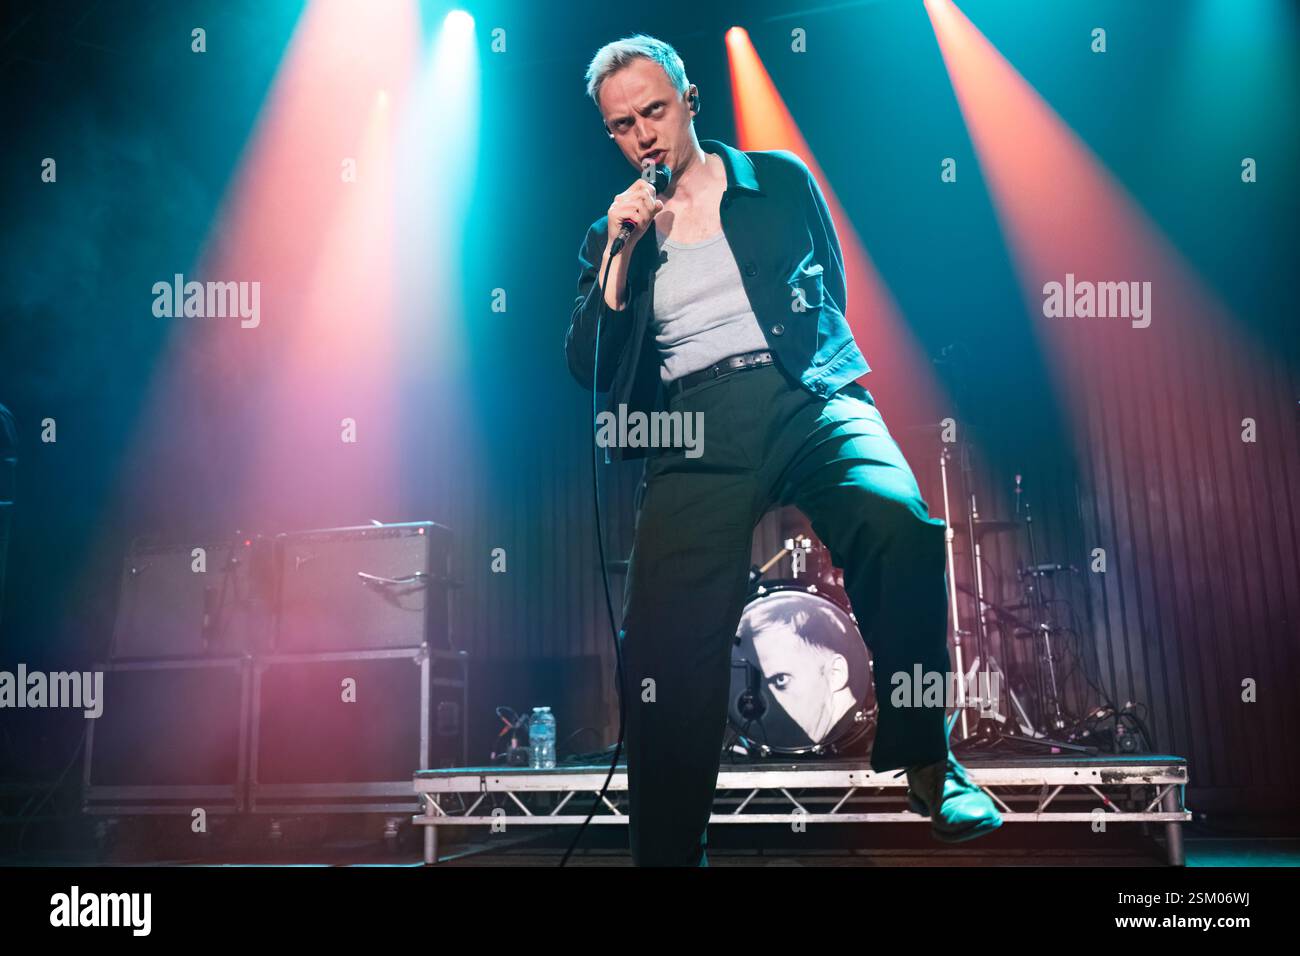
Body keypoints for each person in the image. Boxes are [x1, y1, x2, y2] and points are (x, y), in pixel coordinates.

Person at [565, 34, 1001, 866]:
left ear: (691, 100)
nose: (644, 133)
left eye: (655, 110)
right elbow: (585, 363)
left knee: (900, 523)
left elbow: (829, 288)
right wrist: (620, 253)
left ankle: (928, 761)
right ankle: (664, 849)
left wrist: (820, 380)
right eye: (623, 124)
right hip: (694, 424)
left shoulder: (780, 182)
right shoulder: (614, 231)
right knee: (660, 642)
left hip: (806, 393)